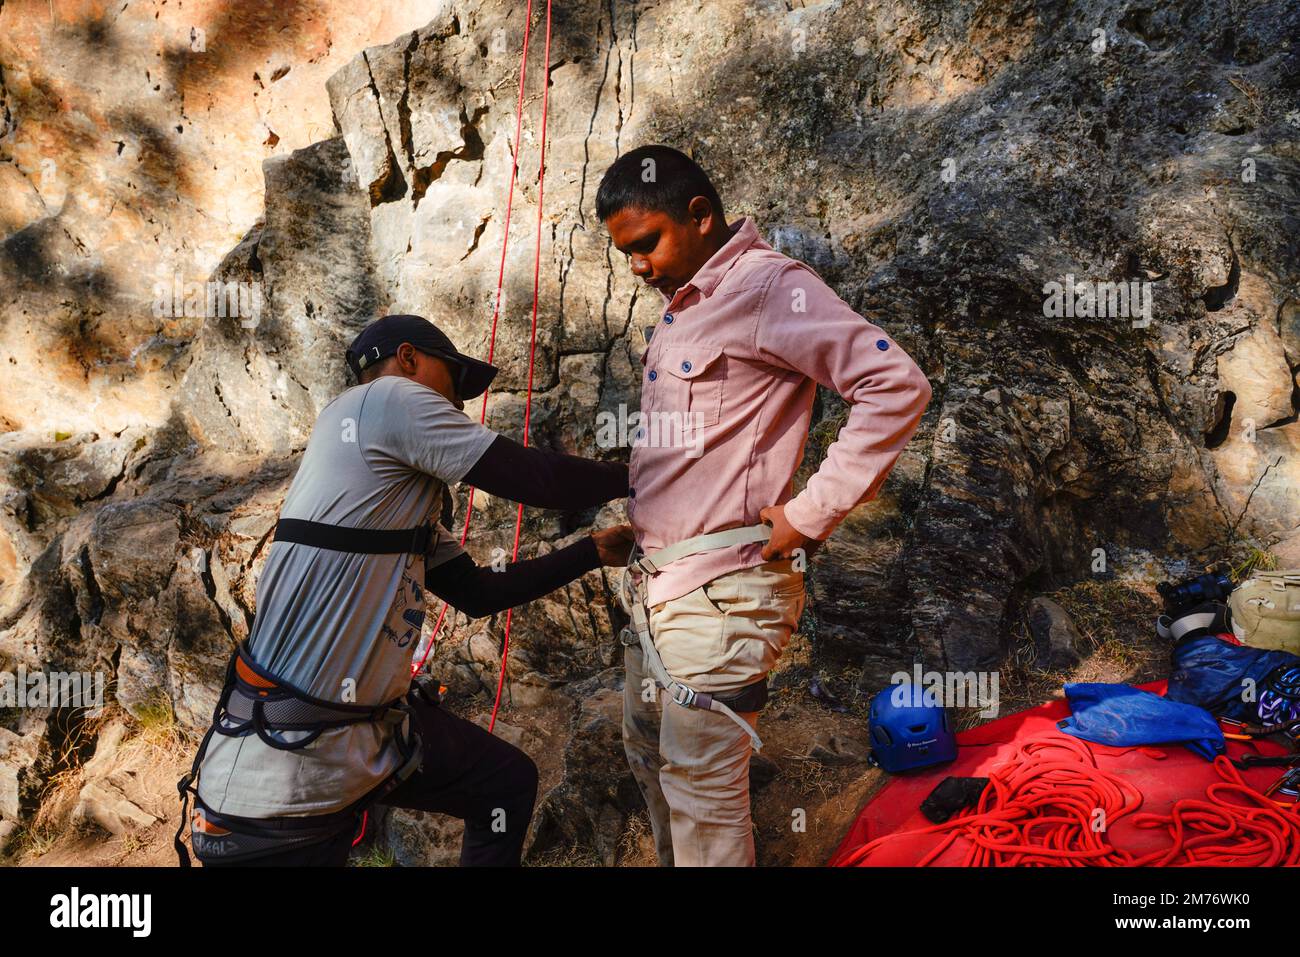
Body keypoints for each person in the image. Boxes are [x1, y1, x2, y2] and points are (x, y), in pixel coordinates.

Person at [175, 314, 633, 866]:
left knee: (504, 783)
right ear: (409, 358)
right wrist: (647, 472)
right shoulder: (384, 400)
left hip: (341, 739)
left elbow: (476, 593)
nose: (459, 406)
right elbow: (540, 481)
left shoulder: (382, 499)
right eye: (455, 384)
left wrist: (593, 552)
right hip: (280, 783)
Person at [597, 145, 933, 866]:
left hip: (720, 601)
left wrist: (810, 513)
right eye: (625, 254)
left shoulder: (770, 288)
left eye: (646, 243)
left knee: (705, 802)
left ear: (700, 214)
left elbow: (895, 384)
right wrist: (648, 521)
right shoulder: (682, 309)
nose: (639, 267)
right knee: (655, 762)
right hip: (659, 588)